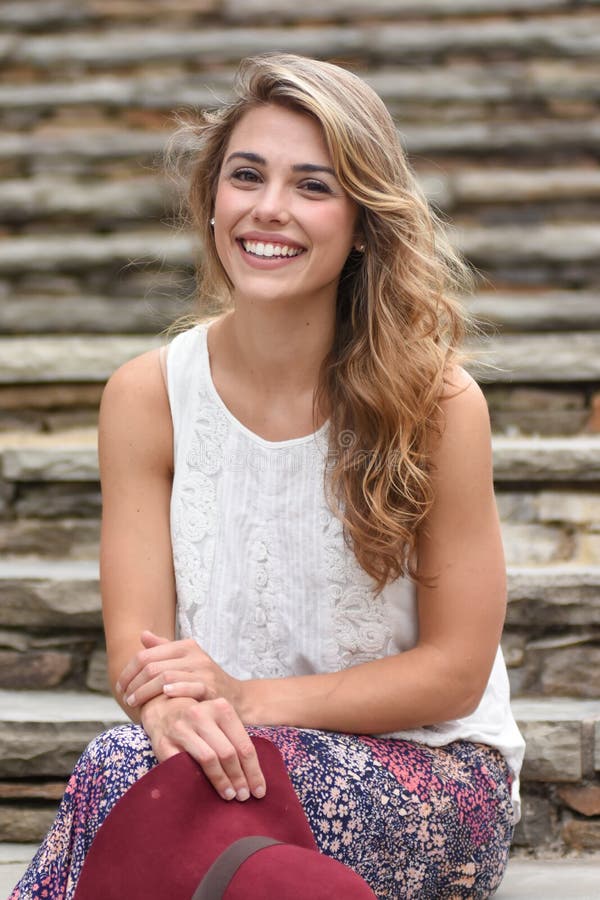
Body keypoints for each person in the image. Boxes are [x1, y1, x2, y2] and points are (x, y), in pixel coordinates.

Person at [11, 53, 524, 900]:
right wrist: (170, 711)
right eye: (246, 175)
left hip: (430, 773)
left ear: (362, 223)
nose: (269, 208)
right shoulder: (146, 397)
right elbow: (141, 652)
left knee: (138, 783)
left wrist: (247, 700)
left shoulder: (436, 404)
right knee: (138, 765)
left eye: (313, 186)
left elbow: (455, 671)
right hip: (220, 754)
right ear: (213, 198)